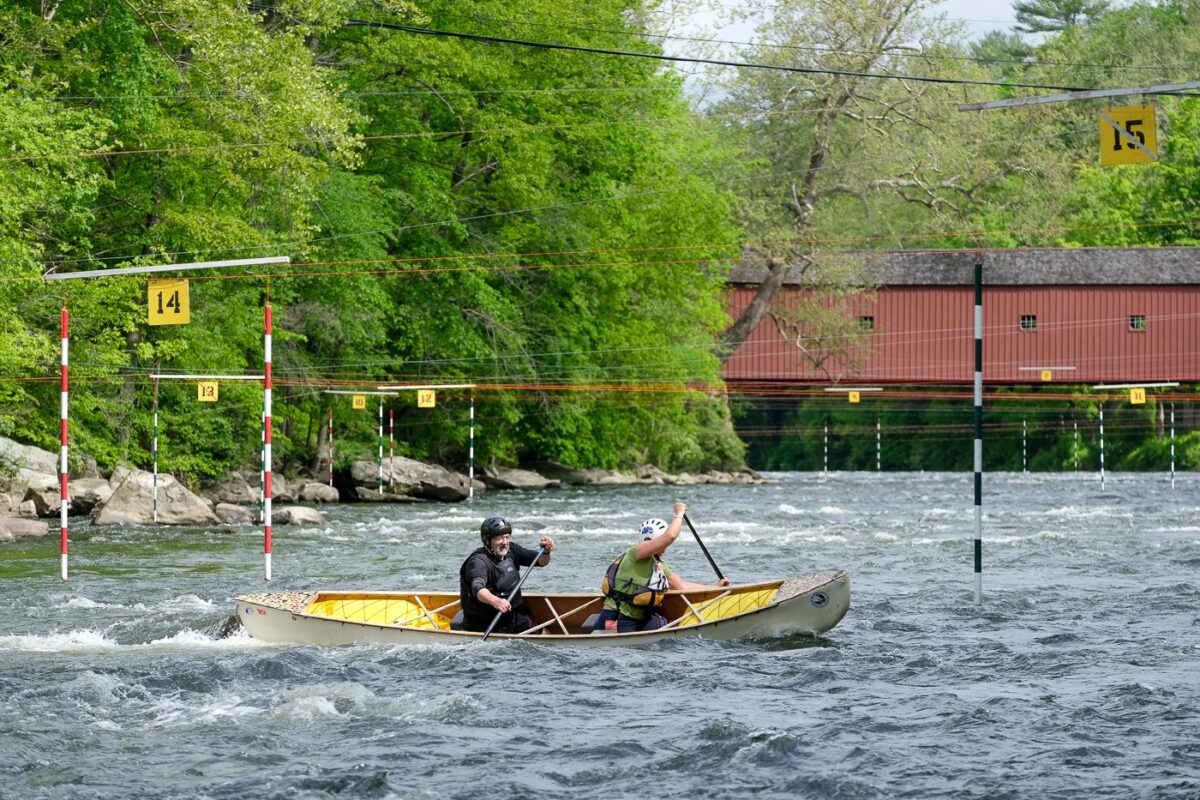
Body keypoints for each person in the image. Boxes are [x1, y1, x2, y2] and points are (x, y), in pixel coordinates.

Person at [596, 501, 731, 633]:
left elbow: (682, 587)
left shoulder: (658, 565)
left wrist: (716, 588)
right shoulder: (636, 551)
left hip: (632, 620)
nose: (665, 547)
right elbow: (670, 536)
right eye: (662, 543)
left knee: (661, 622)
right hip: (616, 619)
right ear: (655, 540)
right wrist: (679, 514)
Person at [459, 516, 555, 633]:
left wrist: (546, 552)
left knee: (545, 633)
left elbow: (541, 561)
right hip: (484, 622)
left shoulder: (512, 550)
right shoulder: (478, 562)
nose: (505, 542)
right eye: (499, 539)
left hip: (512, 616)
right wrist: (496, 601)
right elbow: (477, 588)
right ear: (487, 540)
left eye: (507, 537)